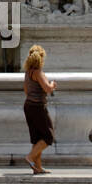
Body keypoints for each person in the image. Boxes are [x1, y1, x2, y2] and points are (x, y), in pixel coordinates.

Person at [22, 44, 56, 174]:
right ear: (41, 58)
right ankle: (30, 157)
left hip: (28, 106)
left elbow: (26, 90)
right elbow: (47, 88)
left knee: (37, 138)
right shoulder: (38, 72)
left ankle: (38, 167)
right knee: (48, 137)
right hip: (38, 107)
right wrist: (52, 85)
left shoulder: (28, 72)